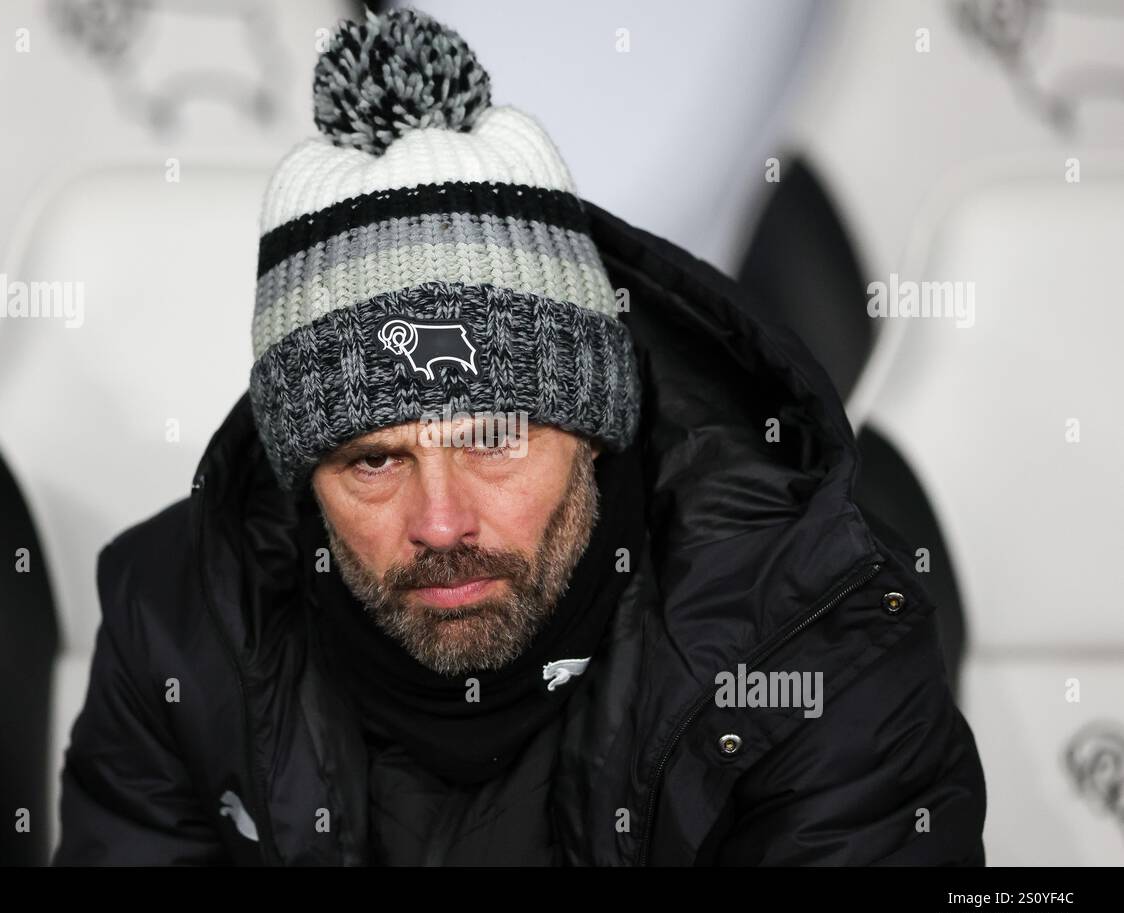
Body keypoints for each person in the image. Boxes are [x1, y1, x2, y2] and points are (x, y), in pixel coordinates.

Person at [52, 7, 986, 866]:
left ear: (597, 430)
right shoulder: (181, 628)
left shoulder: (809, 645)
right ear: (304, 479)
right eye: (375, 461)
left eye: (496, 439)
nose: (443, 521)